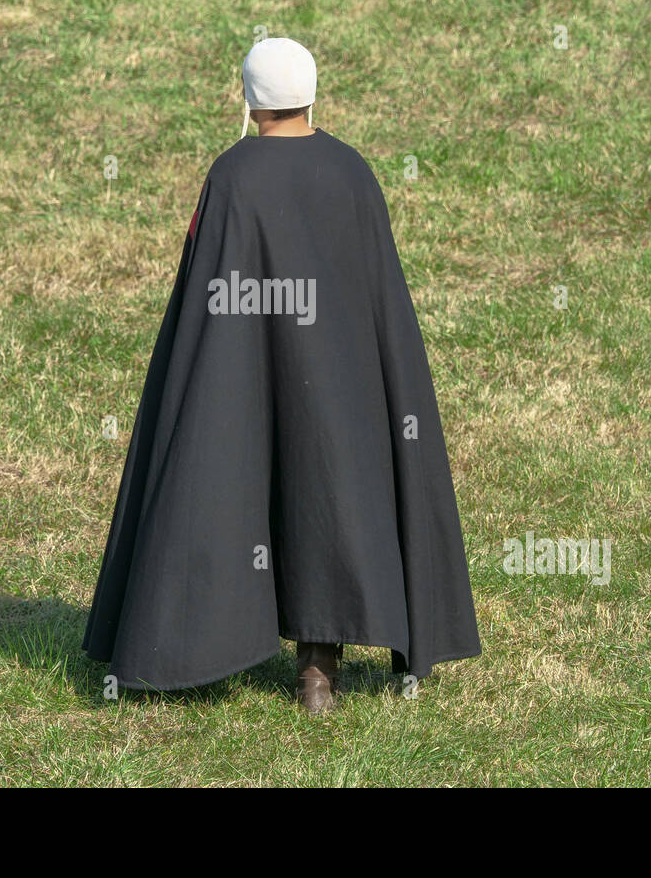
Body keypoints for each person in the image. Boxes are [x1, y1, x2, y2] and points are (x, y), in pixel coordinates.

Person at [83, 37, 481, 713]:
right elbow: (378, 290)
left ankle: (209, 641)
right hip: (340, 376)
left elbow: (203, 285)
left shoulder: (233, 175)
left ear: (248, 98)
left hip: (245, 370)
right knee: (328, 492)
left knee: (237, 480)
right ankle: (318, 673)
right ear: (313, 92)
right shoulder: (353, 172)